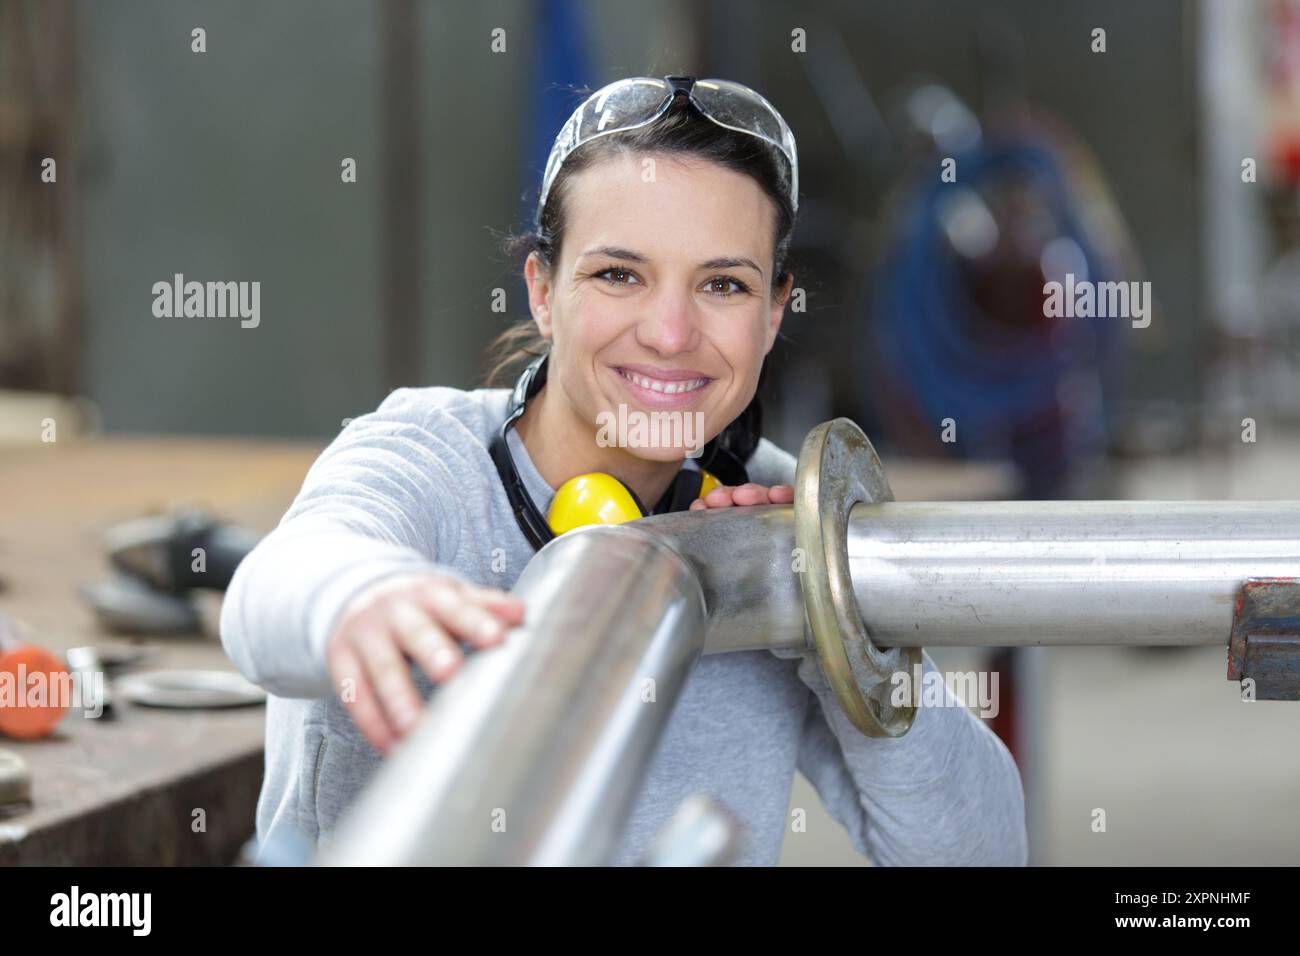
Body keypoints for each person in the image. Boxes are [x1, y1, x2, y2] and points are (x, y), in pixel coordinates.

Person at [220, 75, 1028, 866]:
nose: (670, 333)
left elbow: (984, 853)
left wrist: (822, 617)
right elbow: (268, 597)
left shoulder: (781, 512)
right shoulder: (430, 458)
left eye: (722, 284)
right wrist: (358, 597)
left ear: (775, 311)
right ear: (542, 290)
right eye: (618, 274)